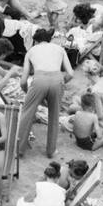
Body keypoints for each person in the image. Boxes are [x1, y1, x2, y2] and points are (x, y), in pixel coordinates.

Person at [18, 28, 73, 159]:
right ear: (49, 39)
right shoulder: (59, 49)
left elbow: (23, 80)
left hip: (39, 80)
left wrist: (27, 91)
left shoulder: (31, 51)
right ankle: (51, 150)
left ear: (36, 41)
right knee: (54, 116)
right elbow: (71, 73)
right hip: (57, 79)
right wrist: (61, 82)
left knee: (27, 114)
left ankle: (19, 149)